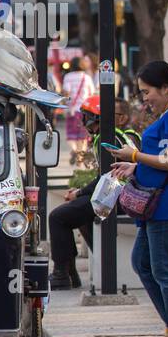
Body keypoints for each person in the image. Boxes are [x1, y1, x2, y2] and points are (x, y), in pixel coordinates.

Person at [106, 60, 168, 337]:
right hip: (160, 204)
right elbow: (167, 158)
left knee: (163, 269)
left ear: (165, 88)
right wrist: (134, 164)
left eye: (147, 92)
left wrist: (134, 154)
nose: (144, 98)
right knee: (143, 263)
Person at [49, 96, 138, 289]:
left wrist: (79, 193)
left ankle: (62, 274)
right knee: (76, 215)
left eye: (87, 117)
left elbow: (107, 176)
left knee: (58, 216)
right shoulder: (129, 136)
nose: (84, 122)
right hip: (123, 196)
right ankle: (70, 274)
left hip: (115, 199)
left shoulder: (107, 137)